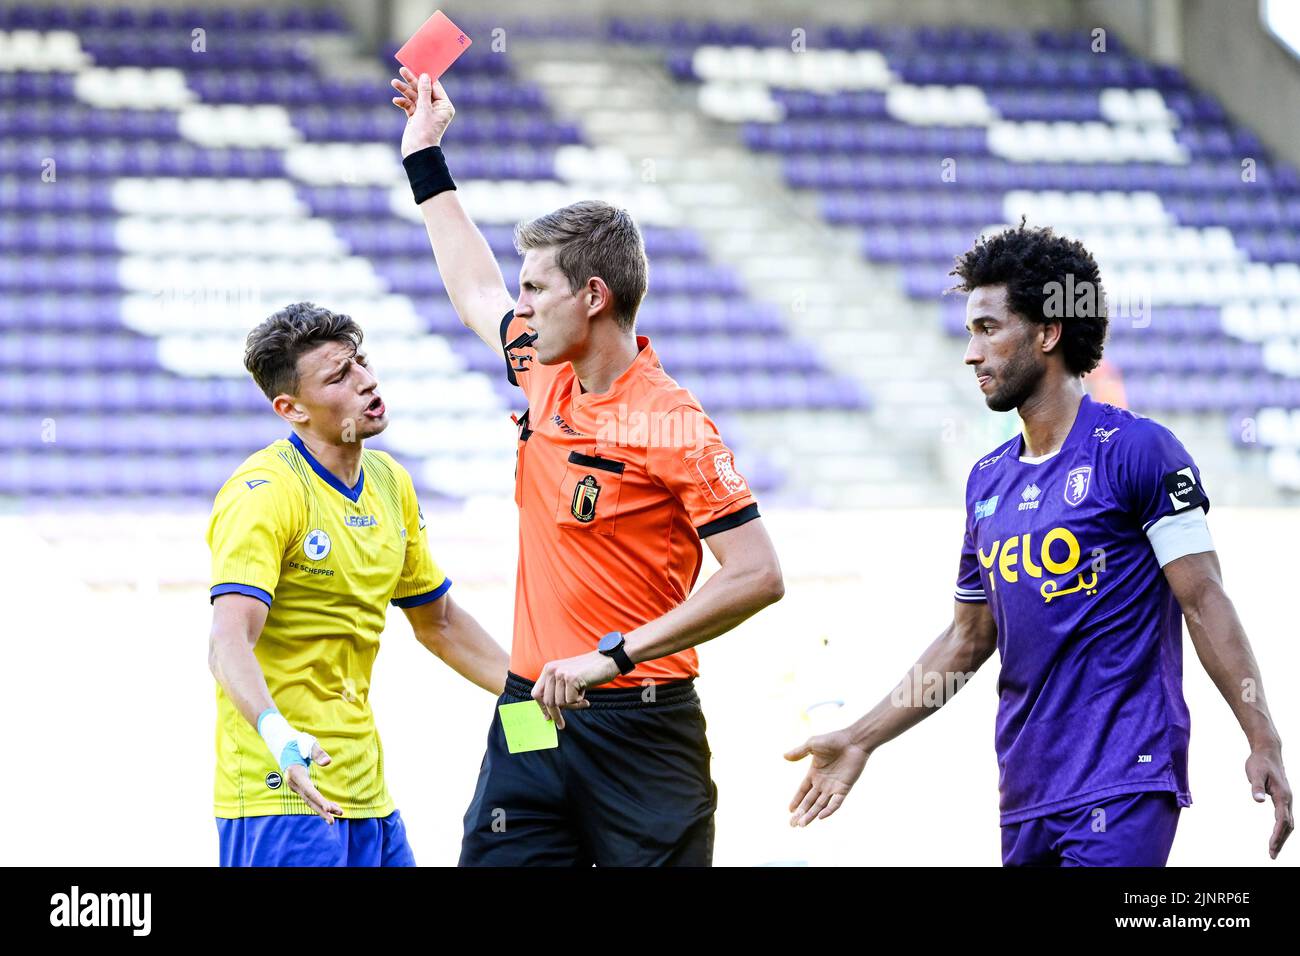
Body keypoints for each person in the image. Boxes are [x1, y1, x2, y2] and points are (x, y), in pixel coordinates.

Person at [785, 223, 1292, 866]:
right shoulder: (986, 481)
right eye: (971, 331)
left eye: (989, 328)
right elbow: (967, 640)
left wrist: (1262, 735)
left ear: (1049, 332)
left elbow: (1204, 601)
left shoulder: (1140, 452)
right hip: (1025, 794)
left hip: (1124, 781)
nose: (972, 352)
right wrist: (862, 738)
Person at [389, 69, 785, 866]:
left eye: (538, 288)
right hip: (531, 712)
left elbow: (756, 575)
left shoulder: (674, 423)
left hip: (641, 726)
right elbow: (473, 287)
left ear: (594, 296)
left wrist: (612, 656)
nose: (521, 305)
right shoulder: (541, 364)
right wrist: (424, 156)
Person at [207, 301, 508, 866]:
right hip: (281, 793)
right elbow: (227, 643)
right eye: (339, 376)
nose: (367, 381)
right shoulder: (264, 491)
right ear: (290, 407)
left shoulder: (390, 482)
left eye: (361, 362)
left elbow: (438, 621)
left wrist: (528, 693)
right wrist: (279, 739)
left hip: (367, 793)